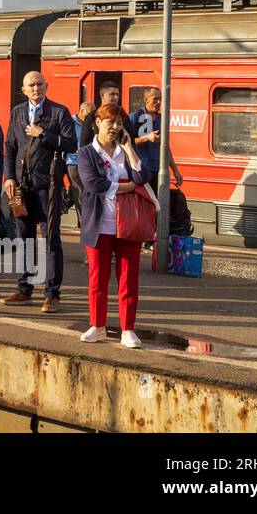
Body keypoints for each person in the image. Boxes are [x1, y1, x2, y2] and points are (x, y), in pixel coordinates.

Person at [1, 71, 76, 313]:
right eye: (31, 85)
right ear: (23, 89)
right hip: (22, 185)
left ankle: (52, 294)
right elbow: (10, 148)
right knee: (24, 238)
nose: (36, 88)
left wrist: (43, 134)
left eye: (39, 84)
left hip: (48, 185)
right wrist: (9, 177)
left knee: (50, 239)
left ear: (46, 86)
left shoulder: (59, 112)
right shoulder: (17, 112)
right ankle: (25, 289)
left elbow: (70, 143)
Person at [76, 104, 149, 347]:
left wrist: (129, 148)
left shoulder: (125, 151)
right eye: (110, 122)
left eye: (119, 123)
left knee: (128, 278)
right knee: (98, 278)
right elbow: (93, 184)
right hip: (99, 223)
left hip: (129, 224)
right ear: (98, 122)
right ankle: (98, 326)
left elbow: (142, 176)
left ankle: (128, 329)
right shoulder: (86, 153)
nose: (115, 128)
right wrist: (126, 187)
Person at [127, 87, 183, 192]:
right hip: (141, 170)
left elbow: (166, 147)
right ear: (146, 99)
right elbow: (127, 143)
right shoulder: (134, 117)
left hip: (159, 170)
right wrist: (146, 138)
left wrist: (175, 170)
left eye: (160, 99)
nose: (159, 102)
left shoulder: (162, 120)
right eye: (155, 99)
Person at [66, 101, 94, 212]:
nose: (92, 116)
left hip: (88, 162)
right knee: (80, 191)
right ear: (82, 111)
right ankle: (84, 222)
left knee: (80, 191)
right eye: (90, 113)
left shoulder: (92, 124)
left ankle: (58, 209)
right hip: (73, 161)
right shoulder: (70, 122)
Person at [79, 82, 123, 148]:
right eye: (112, 94)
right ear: (102, 95)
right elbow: (84, 144)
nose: (116, 97)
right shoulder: (91, 117)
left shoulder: (123, 116)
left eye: (117, 94)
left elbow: (130, 142)